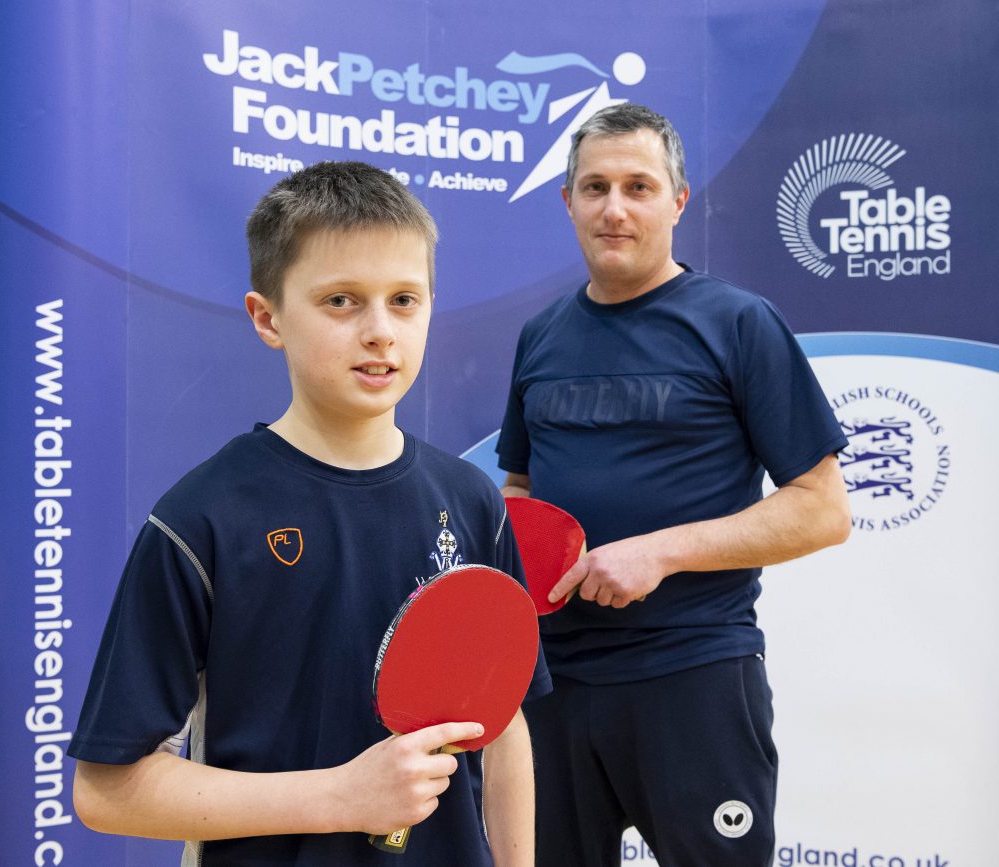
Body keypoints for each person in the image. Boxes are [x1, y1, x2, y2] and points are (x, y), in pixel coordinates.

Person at [69, 161, 550, 866]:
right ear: (268, 318)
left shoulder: (474, 502)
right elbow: (107, 790)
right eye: (341, 301)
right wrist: (341, 796)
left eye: (405, 300)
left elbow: (502, 730)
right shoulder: (200, 520)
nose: (380, 331)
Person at [497, 104, 851, 867]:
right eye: (595, 187)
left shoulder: (739, 323)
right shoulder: (541, 336)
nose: (614, 208)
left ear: (678, 201)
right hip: (552, 682)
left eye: (638, 186)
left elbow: (823, 510)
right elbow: (519, 489)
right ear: (567, 201)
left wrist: (659, 551)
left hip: (694, 674)